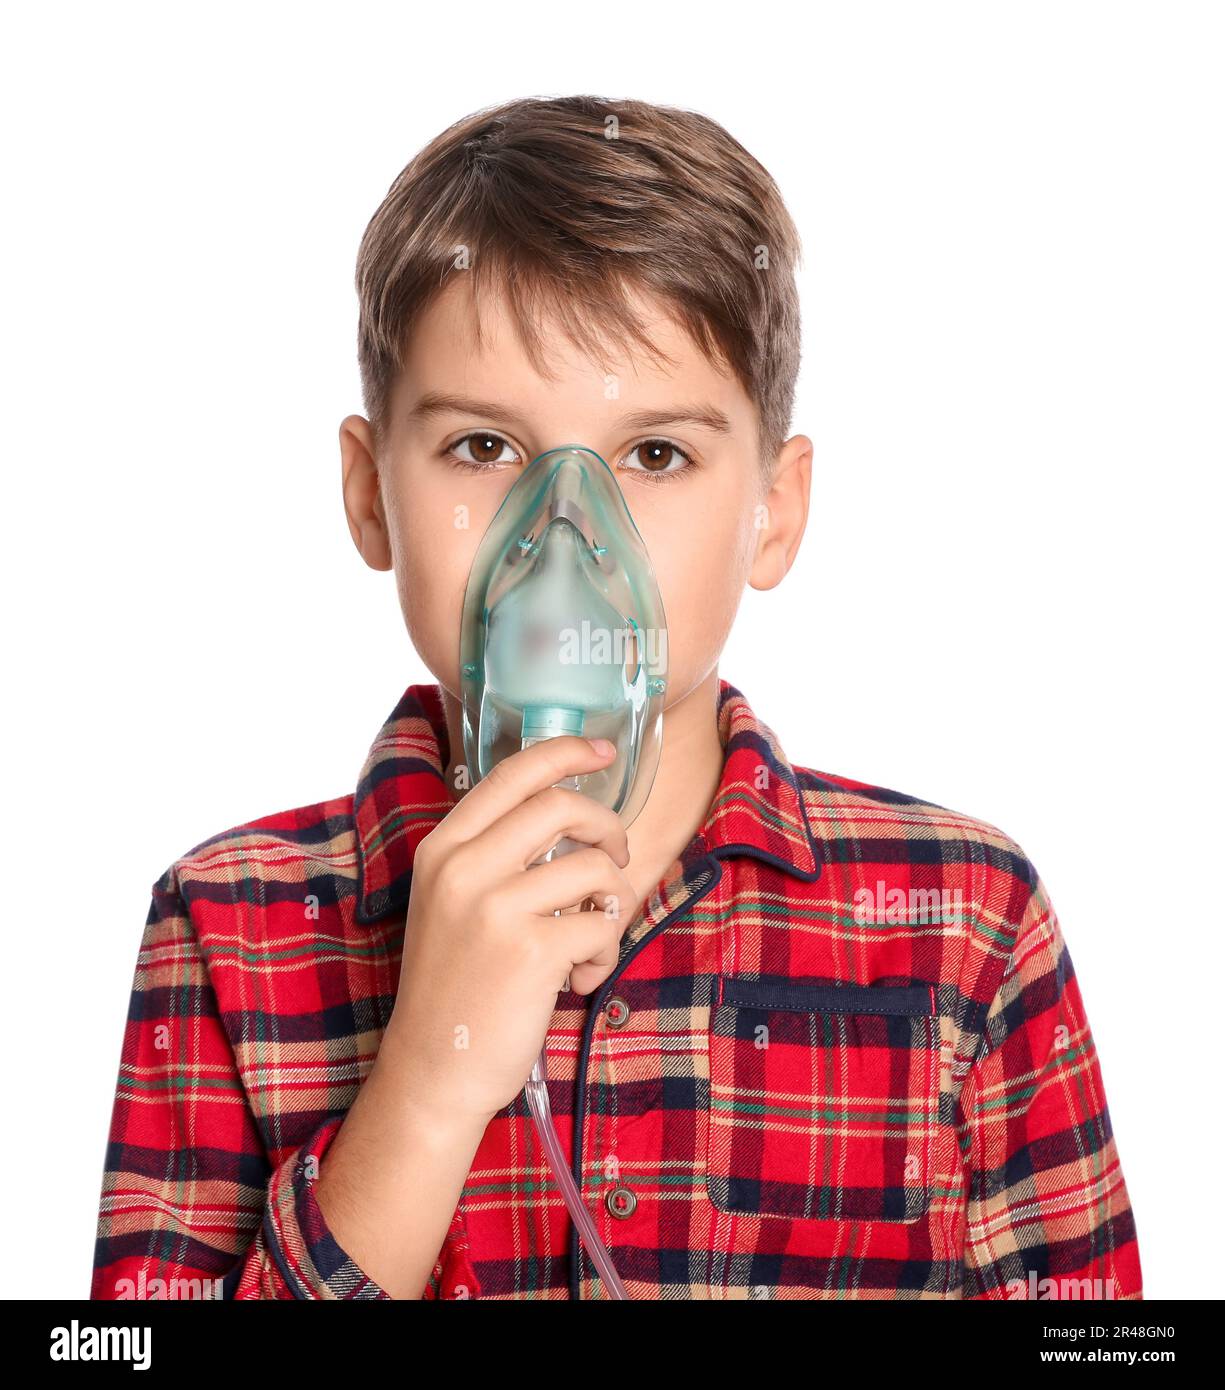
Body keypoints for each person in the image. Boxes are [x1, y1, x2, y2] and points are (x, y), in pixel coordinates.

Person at [91, 94, 1141, 1300]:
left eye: (655, 456)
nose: (565, 538)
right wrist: (427, 1081)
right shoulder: (229, 927)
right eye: (485, 447)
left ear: (775, 509)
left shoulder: (962, 925)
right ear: (370, 492)